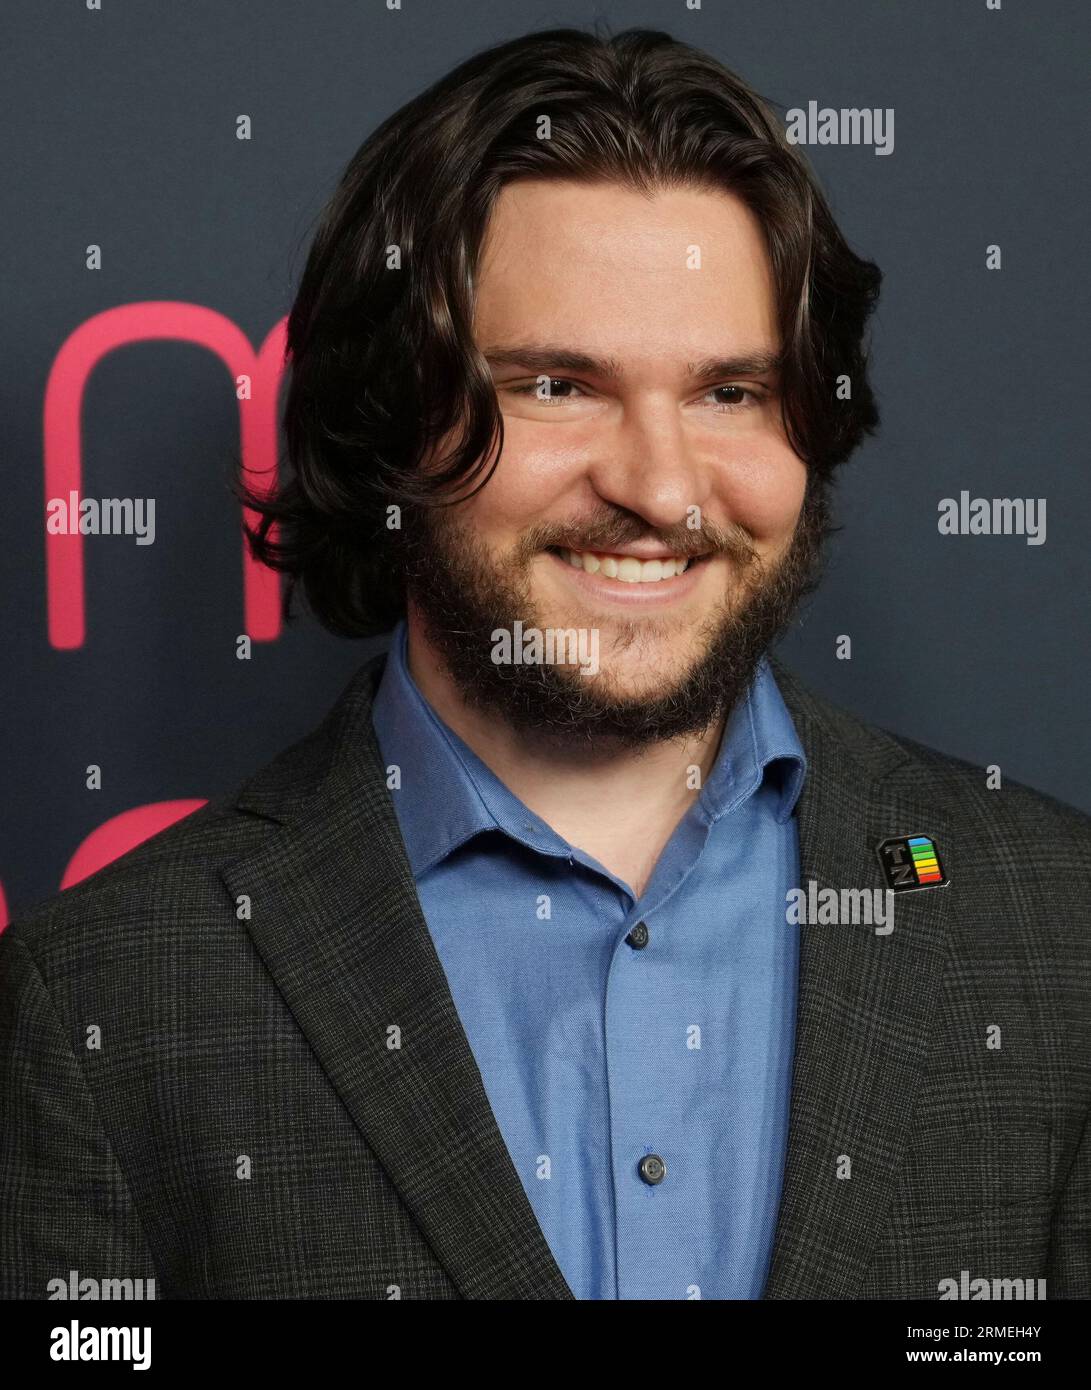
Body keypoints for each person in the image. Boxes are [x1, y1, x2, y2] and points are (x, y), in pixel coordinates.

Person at [2, 25, 1088, 1301]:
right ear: (390, 420)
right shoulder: (107, 995)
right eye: (557, 386)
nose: (659, 489)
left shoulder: (1053, 926)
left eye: (729, 393)